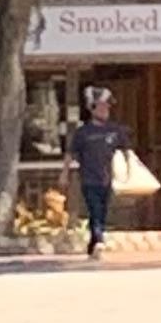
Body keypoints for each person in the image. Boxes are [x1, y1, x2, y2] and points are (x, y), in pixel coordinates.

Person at [69, 83, 133, 257]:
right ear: (93, 108)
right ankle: (99, 241)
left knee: (102, 211)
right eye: (102, 106)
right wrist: (64, 173)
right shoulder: (83, 132)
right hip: (88, 178)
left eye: (107, 107)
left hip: (107, 178)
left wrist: (129, 169)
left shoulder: (114, 130)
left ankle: (93, 245)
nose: (106, 110)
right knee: (95, 209)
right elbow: (71, 153)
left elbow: (126, 150)